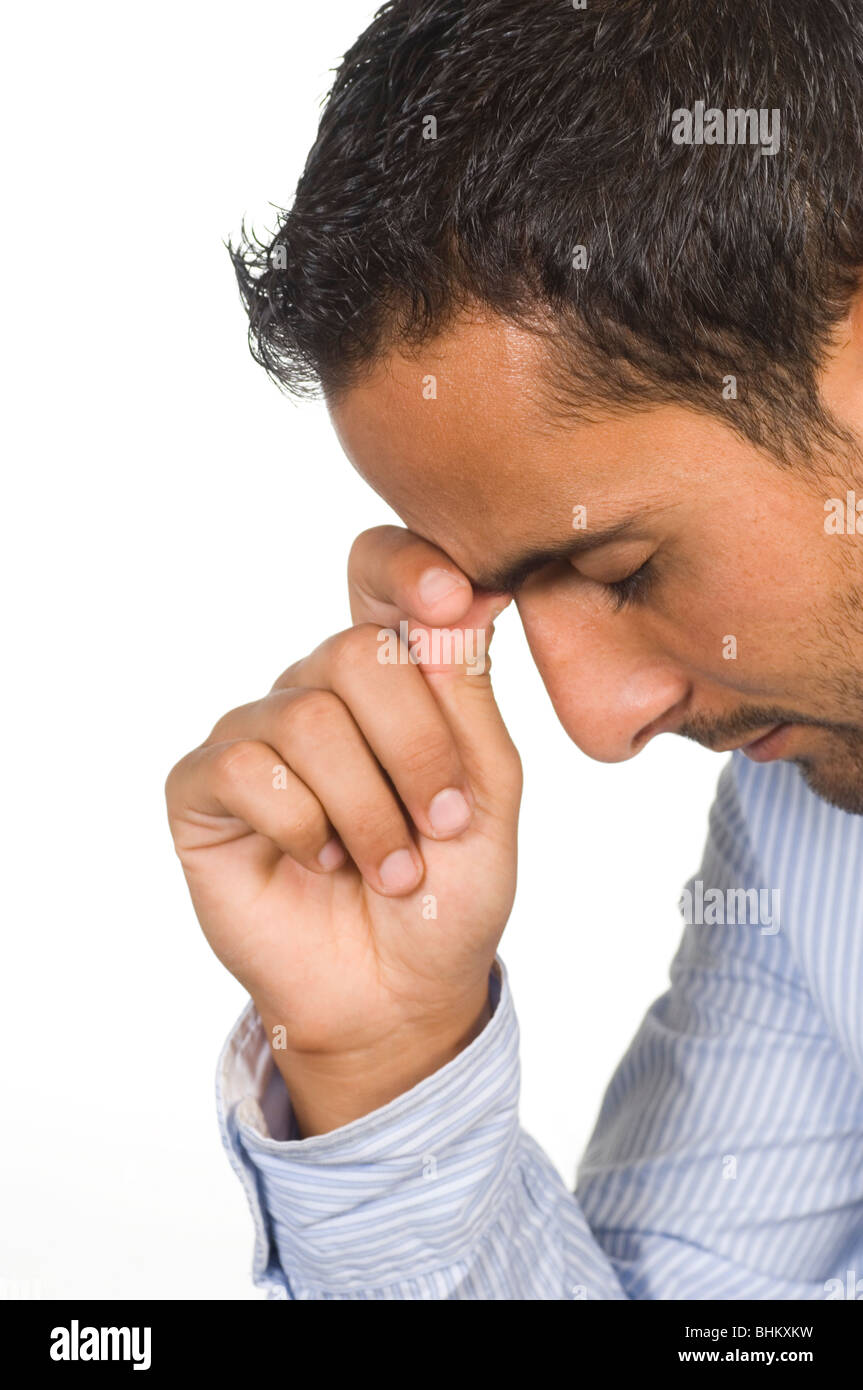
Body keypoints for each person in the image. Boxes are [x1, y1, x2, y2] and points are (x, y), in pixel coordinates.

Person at [165, 0, 863, 1298]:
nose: (595, 723)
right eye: (504, 594)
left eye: (620, 568)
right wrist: (387, 1058)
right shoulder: (808, 823)